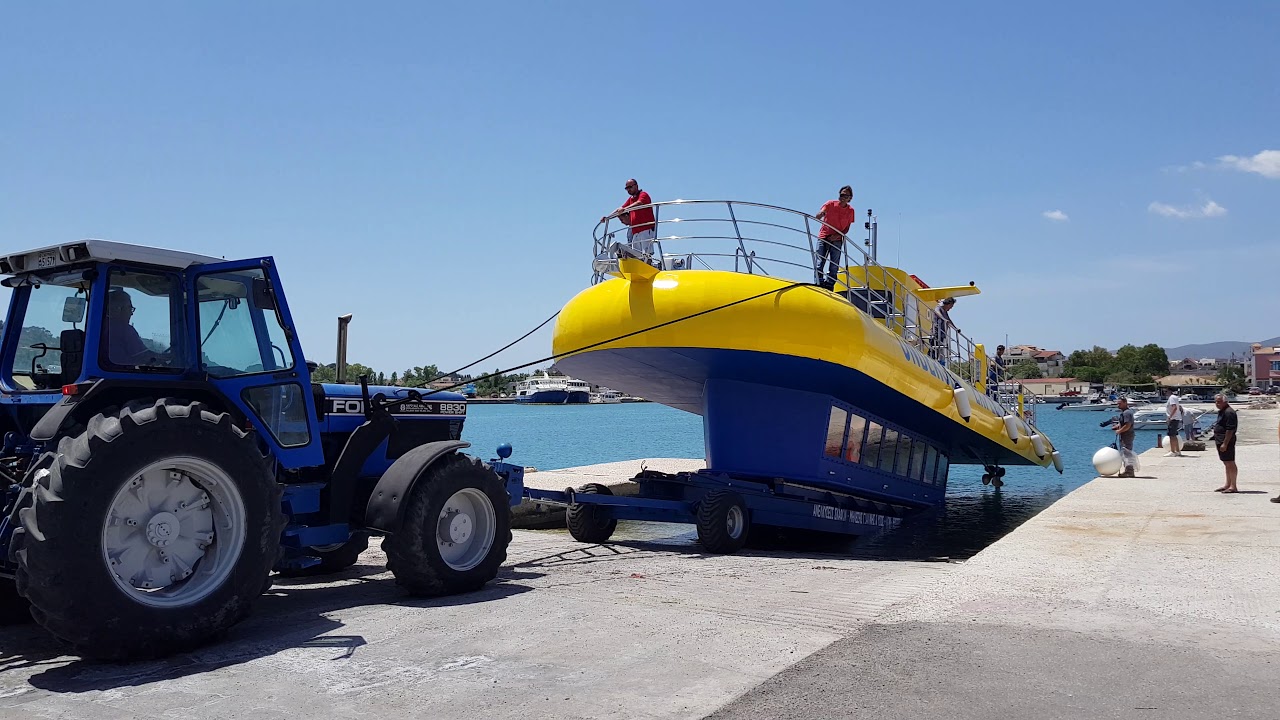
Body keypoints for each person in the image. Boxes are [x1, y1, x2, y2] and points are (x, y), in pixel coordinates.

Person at [813, 185, 857, 291]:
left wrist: (838, 235)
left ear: (850, 198)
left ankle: (830, 284)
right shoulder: (830, 204)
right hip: (824, 236)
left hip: (837, 239)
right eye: (841, 195)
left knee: (834, 264)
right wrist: (821, 214)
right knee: (819, 262)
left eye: (846, 196)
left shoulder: (851, 211)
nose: (843, 197)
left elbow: (847, 228)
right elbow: (820, 214)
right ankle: (819, 282)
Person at [602, 179, 657, 261]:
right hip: (636, 231)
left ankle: (648, 263)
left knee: (646, 253)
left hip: (646, 228)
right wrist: (608, 217)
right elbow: (620, 209)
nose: (628, 189)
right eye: (626, 188)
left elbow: (639, 203)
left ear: (636, 186)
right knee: (637, 255)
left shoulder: (643, 194)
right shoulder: (631, 199)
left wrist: (625, 209)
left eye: (630, 187)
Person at [106, 289, 148, 365]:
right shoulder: (124, 330)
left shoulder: (98, 329)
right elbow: (144, 357)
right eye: (129, 308)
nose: (131, 314)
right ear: (117, 309)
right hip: (121, 374)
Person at [1211, 393, 1238, 493]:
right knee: (1226, 462)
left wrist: (1225, 443)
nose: (1217, 403)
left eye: (1219, 402)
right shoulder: (1222, 411)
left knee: (1230, 462)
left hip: (1226, 440)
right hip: (1219, 439)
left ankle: (1233, 486)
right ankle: (1227, 484)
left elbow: (1230, 429)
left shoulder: (1229, 412)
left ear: (1225, 402)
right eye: (1216, 402)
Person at [1113, 396, 1137, 477]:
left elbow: (1128, 425)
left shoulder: (1127, 413)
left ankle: (1129, 471)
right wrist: (1117, 426)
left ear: (1125, 403)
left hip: (1127, 436)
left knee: (1127, 453)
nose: (1118, 405)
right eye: (1117, 403)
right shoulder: (1125, 413)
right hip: (1125, 436)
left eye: (1120, 403)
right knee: (1124, 453)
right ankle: (1128, 470)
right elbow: (1123, 424)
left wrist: (1119, 431)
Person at [1164, 391, 1184, 457]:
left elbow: (1174, 407)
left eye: (1165, 391)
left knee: (1171, 435)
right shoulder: (1175, 397)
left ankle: (1172, 451)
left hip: (1173, 418)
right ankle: (1177, 450)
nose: (1165, 392)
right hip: (1176, 418)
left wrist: (1170, 417)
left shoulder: (1171, 398)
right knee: (1175, 435)